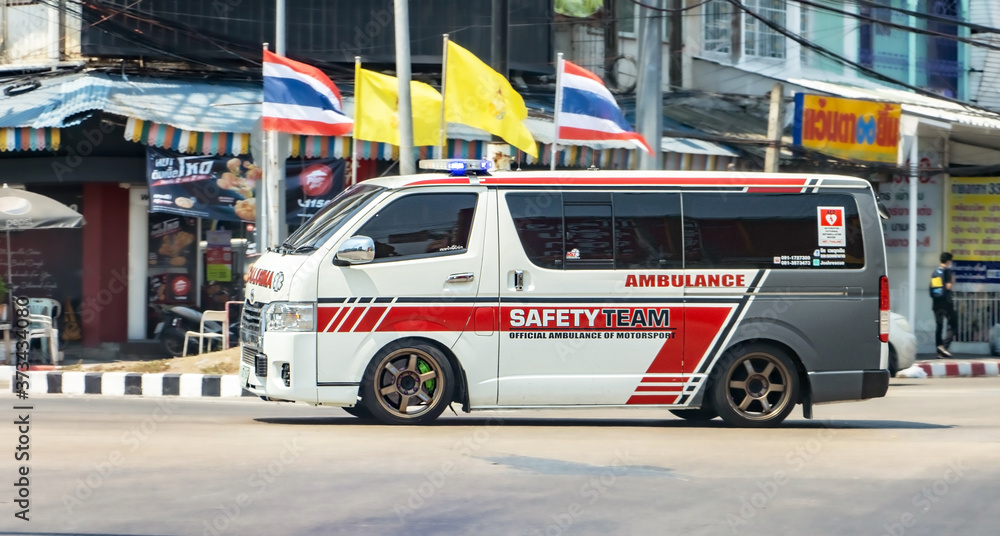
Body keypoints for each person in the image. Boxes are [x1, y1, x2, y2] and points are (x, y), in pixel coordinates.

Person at [929, 252, 957, 357]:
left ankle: (939, 349)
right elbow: (948, 287)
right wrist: (952, 281)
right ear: (948, 261)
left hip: (936, 304)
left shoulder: (935, 272)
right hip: (946, 304)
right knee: (954, 324)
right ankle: (944, 346)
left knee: (939, 326)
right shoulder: (947, 271)